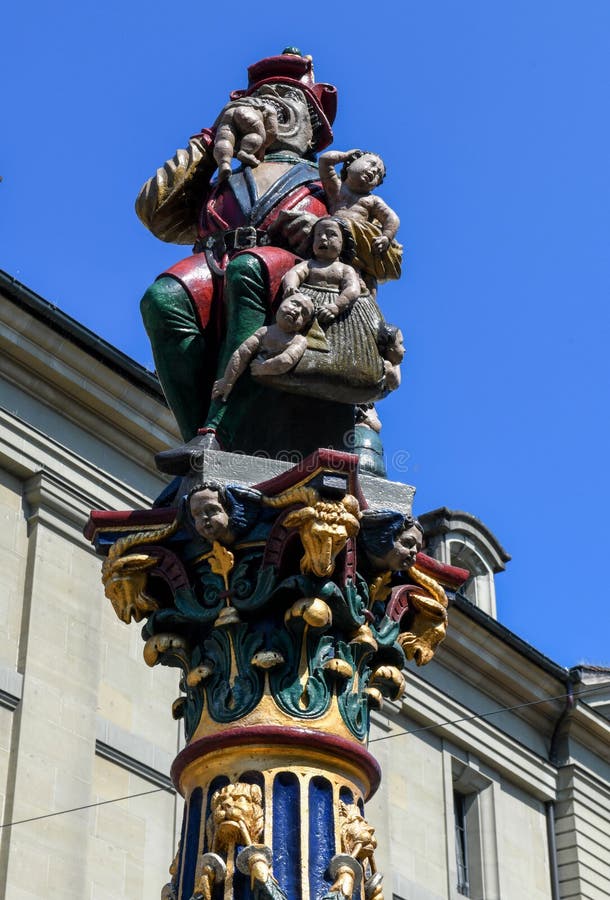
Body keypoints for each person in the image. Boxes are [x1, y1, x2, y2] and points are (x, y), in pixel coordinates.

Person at [137, 49, 338, 468]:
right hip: (216, 260)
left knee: (248, 270)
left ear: (311, 126)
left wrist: (324, 229)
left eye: (286, 95)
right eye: (262, 96)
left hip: (285, 272)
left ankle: (219, 429)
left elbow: (368, 238)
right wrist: (213, 137)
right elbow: (155, 212)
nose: (271, 104)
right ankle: (197, 434)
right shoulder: (226, 170)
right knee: (163, 298)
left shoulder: (325, 181)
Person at [318, 149, 402, 285]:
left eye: (378, 175)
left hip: (357, 239)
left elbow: (391, 218)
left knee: (359, 273)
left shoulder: (372, 200)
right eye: (371, 163)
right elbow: (324, 161)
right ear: (350, 165)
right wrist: (345, 155)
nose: (374, 171)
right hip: (333, 235)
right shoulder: (336, 187)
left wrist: (386, 237)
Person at [211, 292, 314, 402]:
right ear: (282, 302)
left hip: (276, 395)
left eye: (304, 313)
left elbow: (286, 360)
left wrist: (263, 367)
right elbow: (242, 353)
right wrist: (227, 380)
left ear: (305, 324)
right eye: (294, 303)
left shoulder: (299, 340)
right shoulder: (264, 331)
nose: (297, 311)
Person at [281, 216, 361, 325]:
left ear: (343, 243)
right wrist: (290, 286)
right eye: (318, 235)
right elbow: (294, 273)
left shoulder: (345, 269)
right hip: (305, 309)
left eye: (331, 234)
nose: (322, 238)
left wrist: (337, 306)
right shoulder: (309, 264)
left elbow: (353, 289)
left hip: (334, 311)